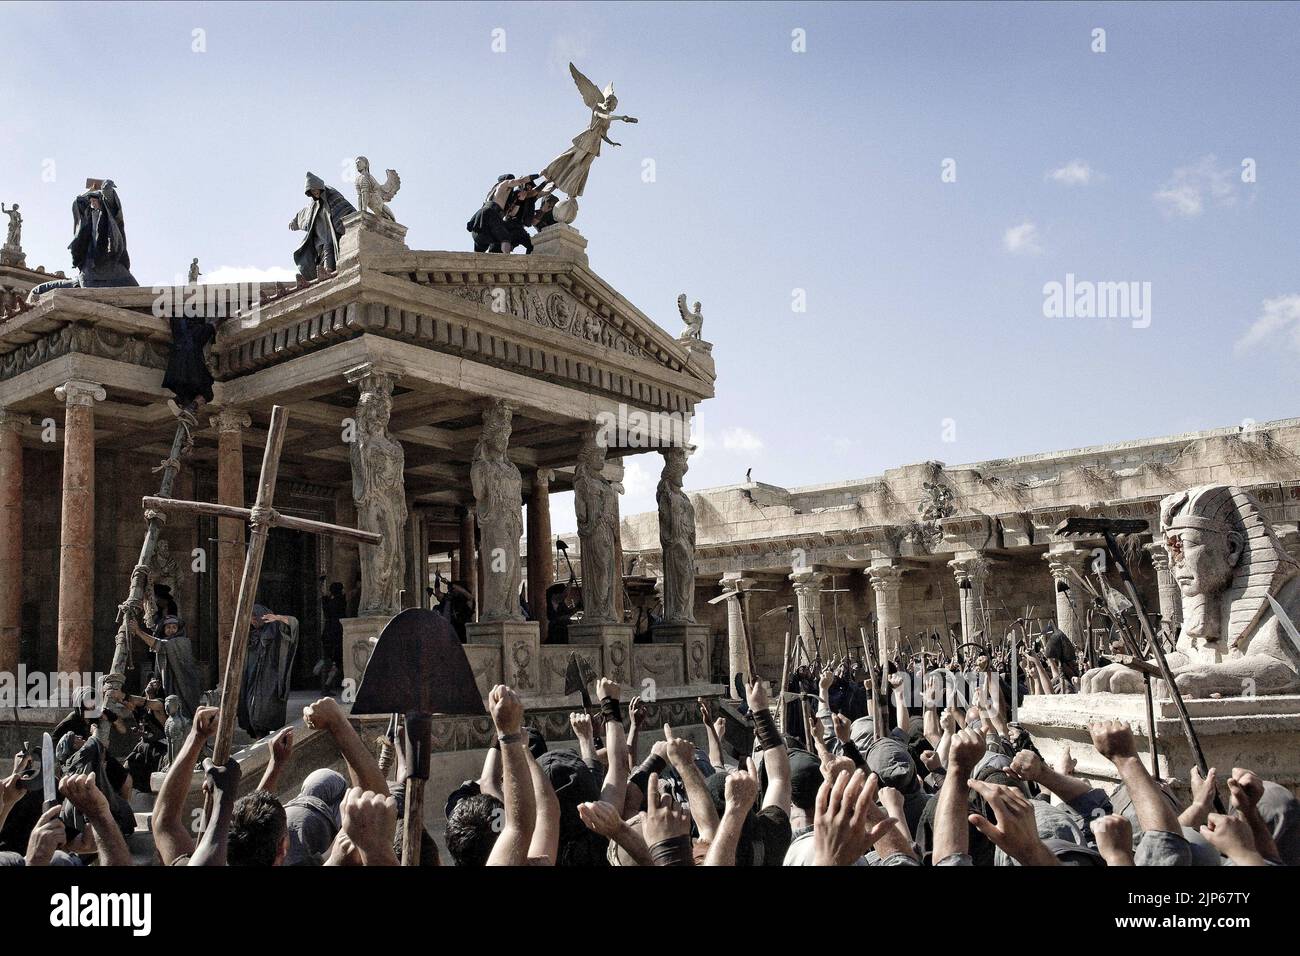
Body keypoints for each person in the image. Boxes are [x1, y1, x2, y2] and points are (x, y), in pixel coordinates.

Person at [237, 605, 300, 740]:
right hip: (252, 677)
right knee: (250, 707)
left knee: (266, 708)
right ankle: (258, 735)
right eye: (251, 618)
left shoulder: (276, 629)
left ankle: (266, 736)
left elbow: (293, 623)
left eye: (255, 618)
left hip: (271, 678)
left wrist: (278, 618)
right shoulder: (252, 634)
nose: (253, 621)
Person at [131, 614, 200, 719]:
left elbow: (161, 645)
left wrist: (138, 632)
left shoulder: (183, 642)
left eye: (174, 627)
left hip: (185, 686)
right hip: (169, 685)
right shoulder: (164, 644)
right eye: (168, 627)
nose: (171, 630)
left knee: (185, 711)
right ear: (163, 629)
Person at [289, 172, 355, 280]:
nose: (315, 193)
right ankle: (322, 271)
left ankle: (328, 270)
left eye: (315, 190)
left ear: (320, 187)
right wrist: (295, 221)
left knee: (329, 246)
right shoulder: (313, 204)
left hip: (333, 231)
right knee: (322, 250)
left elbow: (343, 207)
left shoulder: (331, 193)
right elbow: (305, 214)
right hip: (320, 234)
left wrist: (352, 220)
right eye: (312, 191)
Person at [468, 174, 537, 253]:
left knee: (482, 244)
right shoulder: (502, 185)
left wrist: (519, 201)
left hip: (485, 218)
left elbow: (512, 213)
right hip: (490, 214)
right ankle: (506, 258)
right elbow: (520, 181)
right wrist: (539, 175)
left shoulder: (505, 198)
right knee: (505, 238)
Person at [318, 579, 347, 693]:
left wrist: (322, 585)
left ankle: (322, 663)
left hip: (327, 630)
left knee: (329, 656)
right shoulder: (340, 601)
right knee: (337, 661)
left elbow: (323, 595)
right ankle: (327, 685)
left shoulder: (327, 602)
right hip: (337, 631)